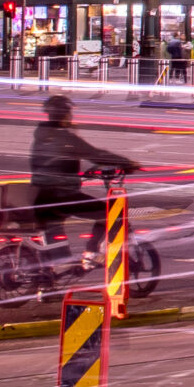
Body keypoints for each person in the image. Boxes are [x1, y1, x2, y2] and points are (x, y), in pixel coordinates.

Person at [29, 95, 138, 263]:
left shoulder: (40, 136)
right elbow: (95, 154)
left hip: (39, 194)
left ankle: (59, 265)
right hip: (62, 194)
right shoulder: (64, 137)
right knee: (111, 214)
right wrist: (126, 163)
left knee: (54, 231)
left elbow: (52, 163)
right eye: (69, 113)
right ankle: (91, 252)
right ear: (65, 114)